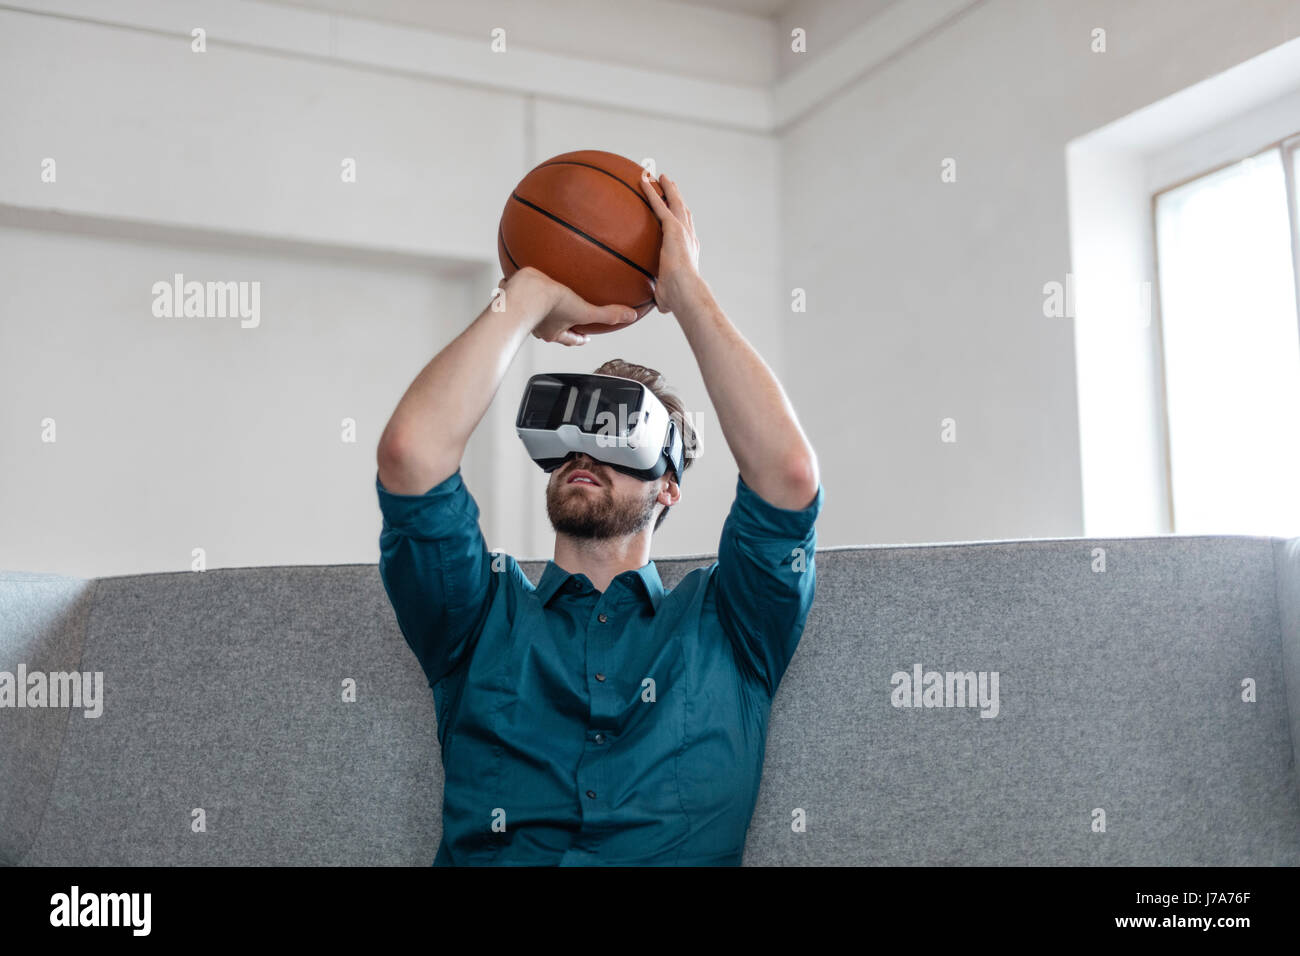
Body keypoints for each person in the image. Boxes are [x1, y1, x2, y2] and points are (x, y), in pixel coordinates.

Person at [375, 170, 824, 865]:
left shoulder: (730, 628)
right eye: (572, 429)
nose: (585, 447)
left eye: (616, 431)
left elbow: (788, 477)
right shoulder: (476, 616)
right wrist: (527, 293)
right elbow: (411, 457)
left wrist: (684, 290)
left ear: (668, 485)